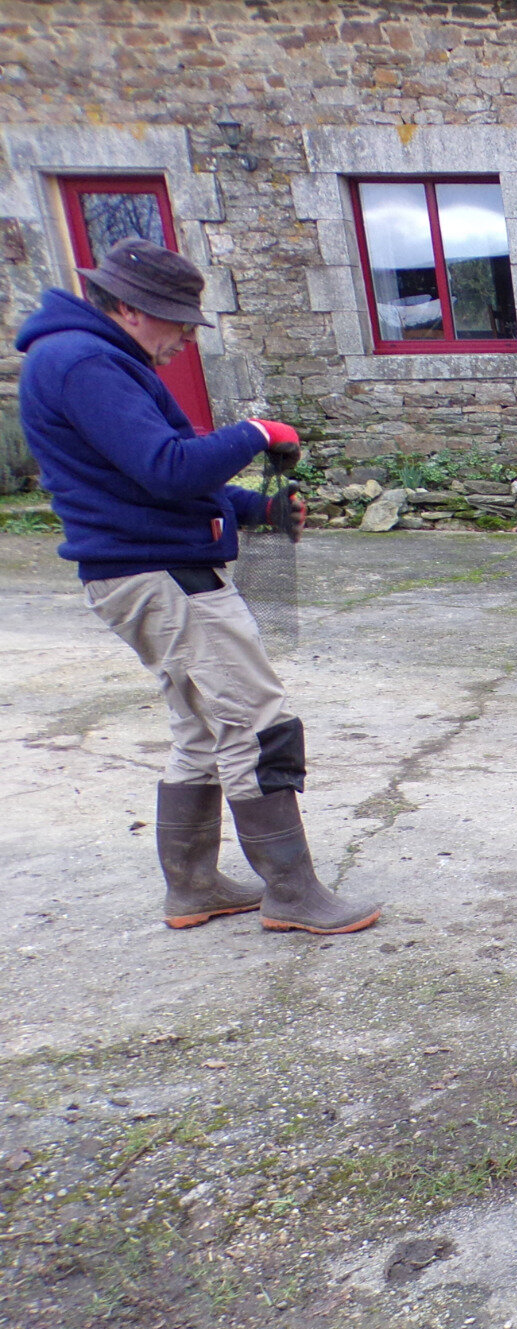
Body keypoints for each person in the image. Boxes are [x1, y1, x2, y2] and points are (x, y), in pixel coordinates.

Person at [13, 237, 379, 935]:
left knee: (203, 726)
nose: (185, 337)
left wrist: (252, 509)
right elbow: (168, 468)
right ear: (128, 308)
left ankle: (194, 885)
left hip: (137, 570)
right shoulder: (87, 361)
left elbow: (133, 481)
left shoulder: (79, 357)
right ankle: (293, 894)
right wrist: (253, 433)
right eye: (178, 321)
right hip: (162, 579)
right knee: (255, 720)